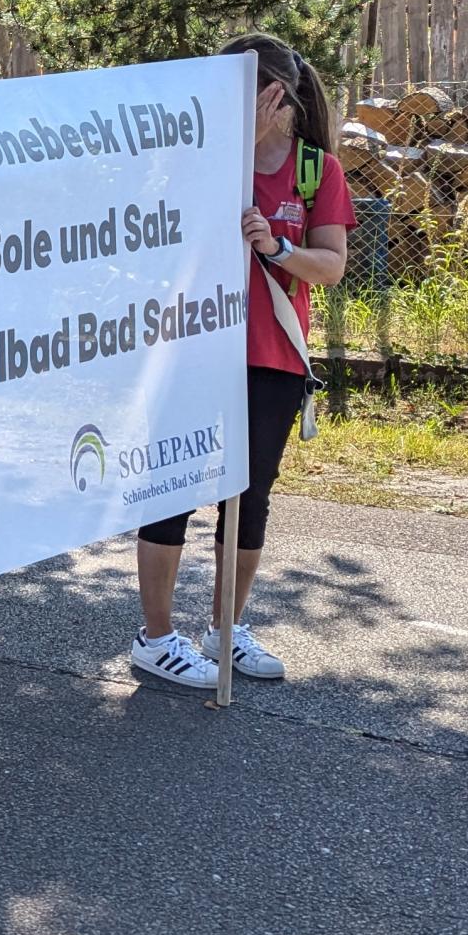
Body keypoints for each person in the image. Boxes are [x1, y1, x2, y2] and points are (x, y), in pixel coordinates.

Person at [130, 36, 351, 689]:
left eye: (235, 87)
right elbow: (160, 227)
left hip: (273, 354)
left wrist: (279, 247)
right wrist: (229, 149)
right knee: (173, 487)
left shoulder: (317, 171)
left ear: (273, 95)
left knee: (248, 499)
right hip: (194, 347)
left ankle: (227, 630)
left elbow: (331, 265)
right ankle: (157, 637)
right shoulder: (205, 157)